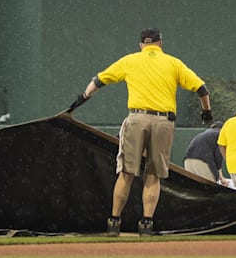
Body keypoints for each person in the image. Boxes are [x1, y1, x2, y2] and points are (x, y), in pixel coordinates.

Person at [67, 27, 212, 237]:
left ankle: (114, 223)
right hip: (163, 121)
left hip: (136, 119)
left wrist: (81, 99)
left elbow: (98, 80)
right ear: (160, 44)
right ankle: (146, 225)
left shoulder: (131, 60)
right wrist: (206, 113)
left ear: (141, 44)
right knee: (153, 176)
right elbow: (202, 89)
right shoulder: (173, 63)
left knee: (126, 173)